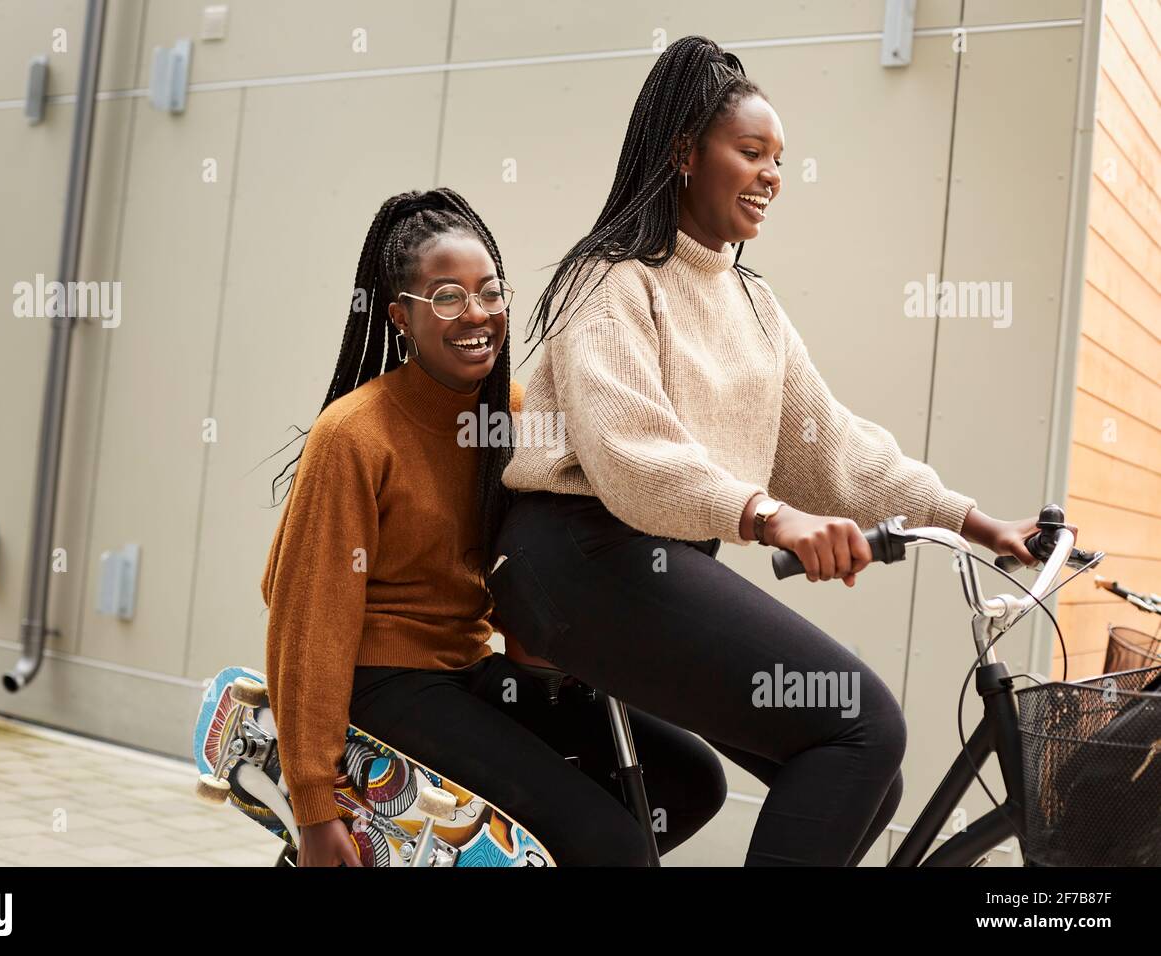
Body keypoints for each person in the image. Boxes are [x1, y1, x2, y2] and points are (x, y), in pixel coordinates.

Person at [489, 36, 1075, 866]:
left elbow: (834, 447)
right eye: (751, 152)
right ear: (685, 154)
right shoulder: (613, 280)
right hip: (575, 556)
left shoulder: (752, 301)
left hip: (650, 557)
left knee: (870, 775)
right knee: (864, 723)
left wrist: (979, 525)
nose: (771, 175)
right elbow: (632, 456)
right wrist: (769, 517)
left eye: (780, 160)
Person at [260, 187, 727, 867]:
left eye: (491, 291)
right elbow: (308, 623)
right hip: (386, 682)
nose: (476, 314)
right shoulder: (354, 435)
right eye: (447, 297)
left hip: (476, 669)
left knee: (689, 781)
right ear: (400, 317)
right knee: (610, 844)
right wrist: (314, 806)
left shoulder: (515, 414)